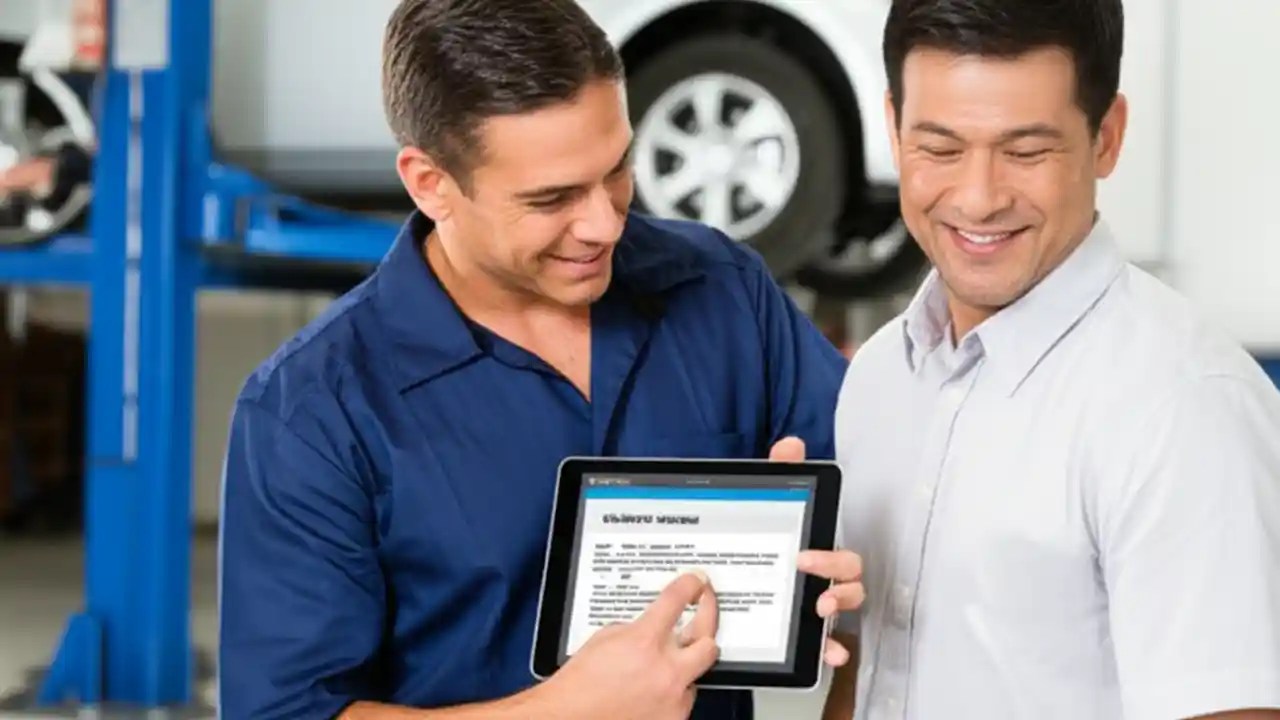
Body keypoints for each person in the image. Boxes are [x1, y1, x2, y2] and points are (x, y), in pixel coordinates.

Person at [217, 0, 864, 718]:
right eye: (552, 198)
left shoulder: (721, 292)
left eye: (615, 169)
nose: (604, 223)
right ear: (431, 183)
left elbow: (881, 496)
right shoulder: (313, 409)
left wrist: (843, 563)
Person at [822, 1, 1280, 719]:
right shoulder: (880, 377)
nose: (977, 199)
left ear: (1107, 137)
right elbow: (869, 675)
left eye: (1027, 152)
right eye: (939, 149)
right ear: (893, 125)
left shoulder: (1184, 409)